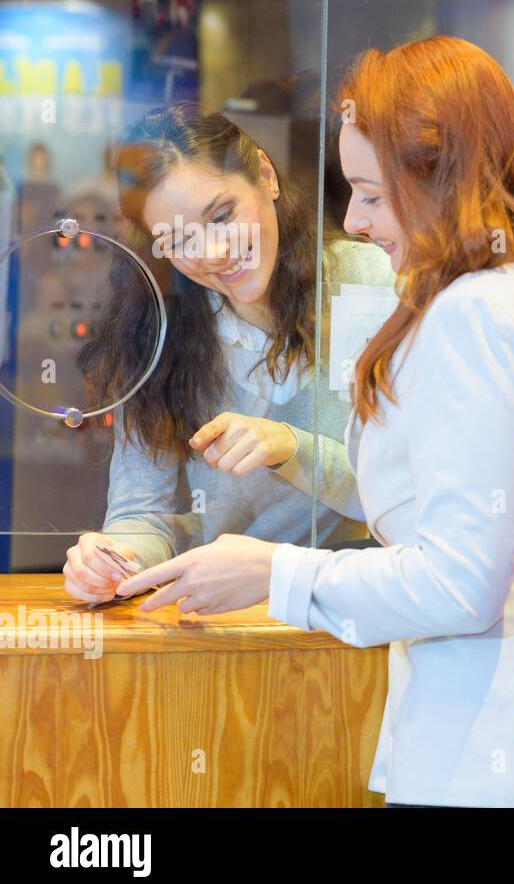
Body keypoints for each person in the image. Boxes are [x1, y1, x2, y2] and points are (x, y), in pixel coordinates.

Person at [117, 36, 514, 807]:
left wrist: (274, 573)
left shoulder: (472, 313)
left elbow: (462, 581)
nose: (358, 221)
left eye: (371, 192)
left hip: (486, 752)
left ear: (443, 177)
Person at [65, 103, 390, 603]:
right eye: (177, 240)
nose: (212, 253)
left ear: (266, 175)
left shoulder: (364, 286)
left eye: (222, 216)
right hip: (216, 622)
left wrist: (288, 446)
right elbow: (141, 516)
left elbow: (391, 494)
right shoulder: (156, 329)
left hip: (346, 612)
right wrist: (110, 560)